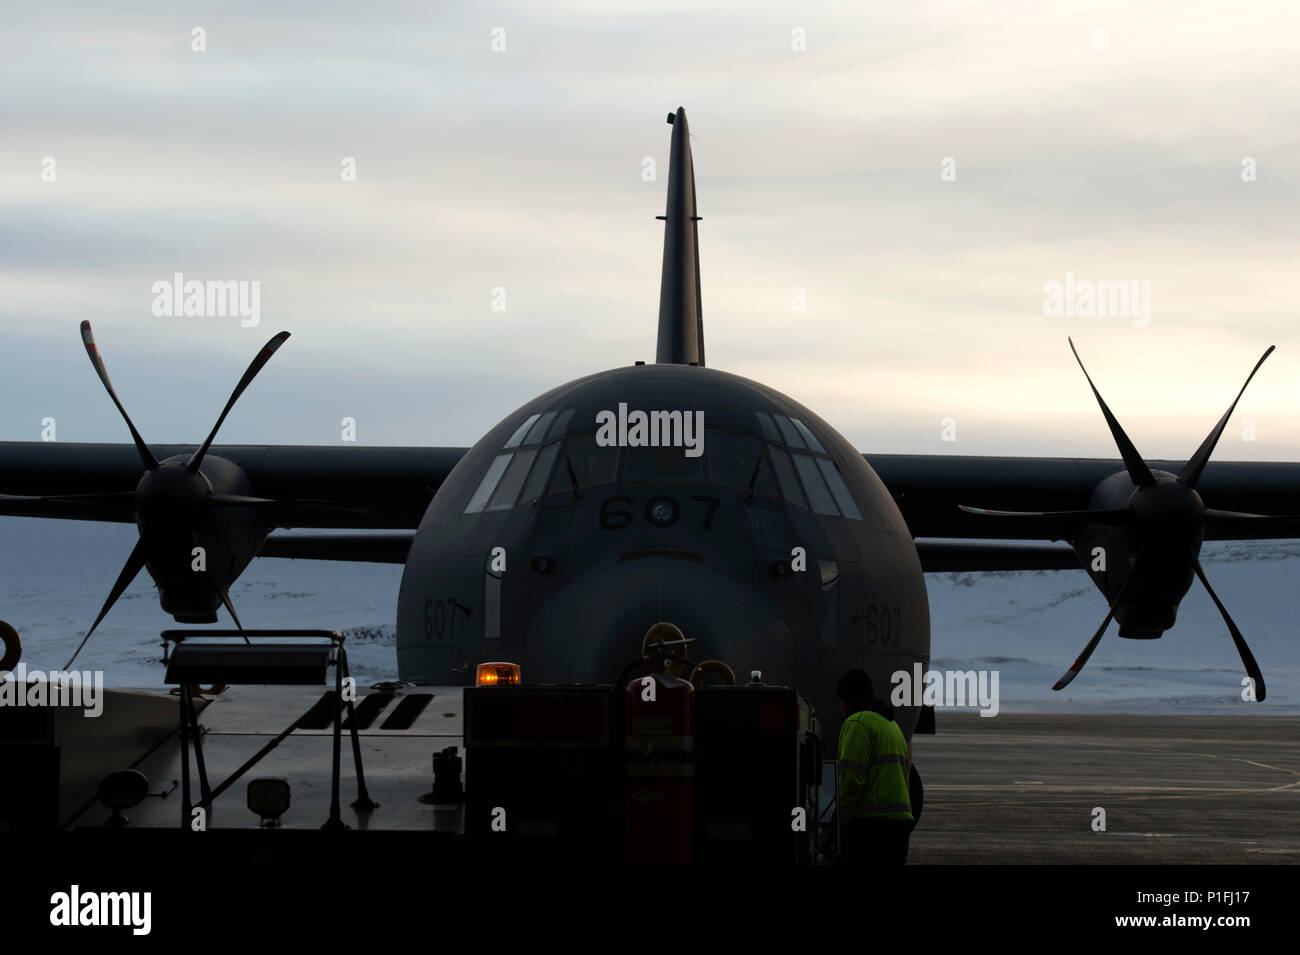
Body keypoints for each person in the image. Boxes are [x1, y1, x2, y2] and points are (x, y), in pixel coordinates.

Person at [835, 668, 913, 864]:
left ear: (847, 698)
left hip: (871, 827)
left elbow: (850, 779)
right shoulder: (892, 726)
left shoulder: (858, 723)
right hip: (900, 827)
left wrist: (840, 819)